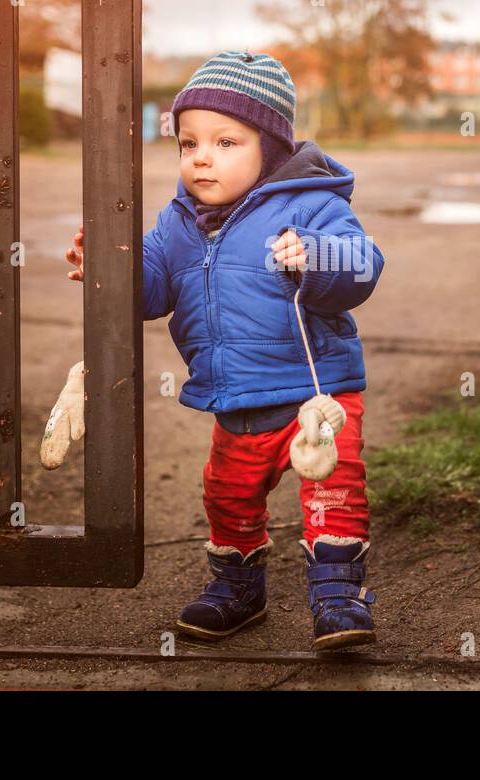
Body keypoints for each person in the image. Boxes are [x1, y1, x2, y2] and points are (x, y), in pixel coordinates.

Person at [65, 50, 385, 651]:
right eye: (188, 144)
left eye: (225, 142)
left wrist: (317, 255)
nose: (201, 157)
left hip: (318, 396)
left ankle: (340, 594)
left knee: (332, 486)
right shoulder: (178, 223)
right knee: (229, 495)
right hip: (236, 397)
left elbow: (363, 267)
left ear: (270, 146)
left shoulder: (314, 206)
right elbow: (152, 289)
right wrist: (108, 266)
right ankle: (237, 588)